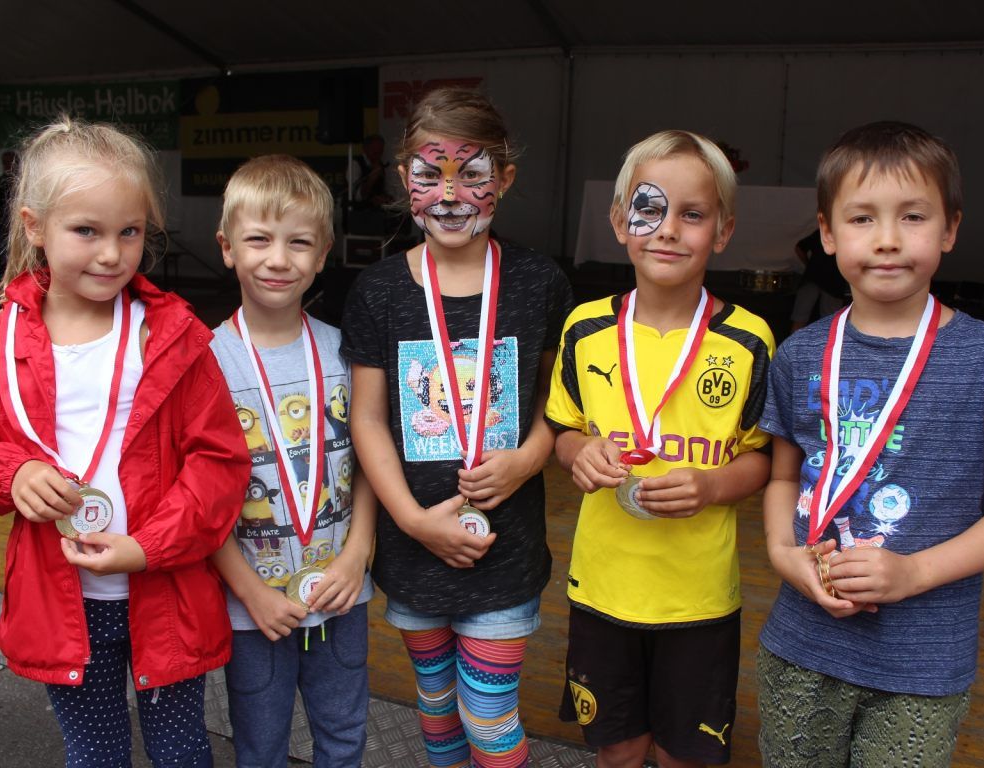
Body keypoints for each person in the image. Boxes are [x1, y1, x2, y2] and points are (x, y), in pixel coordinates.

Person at [757, 121, 984, 767]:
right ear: (827, 234)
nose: (887, 239)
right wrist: (783, 555)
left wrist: (915, 573)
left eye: (913, 216)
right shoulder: (800, 354)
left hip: (923, 662)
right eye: (862, 218)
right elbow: (783, 478)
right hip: (802, 642)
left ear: (950, 229)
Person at [0, 116, 250, 766]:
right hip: (61, 600)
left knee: (181, 752)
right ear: (35, 227)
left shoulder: (172, 335)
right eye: (87, 231)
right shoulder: (5, 338)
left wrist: (148, 547)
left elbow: (220, 462)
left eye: (130, 232)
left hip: (164, 592)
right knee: (95, 755)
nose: (112, 253)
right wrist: (15, 474)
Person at [341, 87, 573, 768]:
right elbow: (368, 418)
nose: (449, 196)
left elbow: (561, 402)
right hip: (415, 549)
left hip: (505, 549)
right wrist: (413, 521)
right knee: (437, 704)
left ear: (505, 177)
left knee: (488, 715)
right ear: (402, 178)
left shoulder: (538, 283)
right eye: (428, 174)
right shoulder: (379, 291)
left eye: (471, 174)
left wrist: (529, 458)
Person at [545, 130, 775, 767]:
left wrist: (713, 486)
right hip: (603, 589)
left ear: (723, 231)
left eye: (692, 214)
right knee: (617, 750)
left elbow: (763, 458)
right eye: (649, 209)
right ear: (620, 221)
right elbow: (563, 430)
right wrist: (578, 452)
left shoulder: (749, 340)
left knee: (684, 757)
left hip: (698, 597)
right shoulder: (585, 328)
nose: (668, 229)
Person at [209, 154, 376, 767]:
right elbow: (200, 498)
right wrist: (248, 590)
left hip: (342, 596)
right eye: (259, 239)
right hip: (252, 607)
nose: (279, 259)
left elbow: (368, 465)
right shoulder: (204, 361)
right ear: (227, 248)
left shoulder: (347, 352)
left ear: (323, 253)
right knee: (260, 747)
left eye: (299, 242)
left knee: (344, 738)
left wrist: (357, 556)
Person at [789, 228, 847, 333]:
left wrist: (808, 265)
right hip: (832, 279)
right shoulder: (847, 233)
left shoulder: (824, 231)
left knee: (800, 317)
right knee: (830, 321)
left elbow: (799, 247)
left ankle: (795, 342)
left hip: (815, 276)